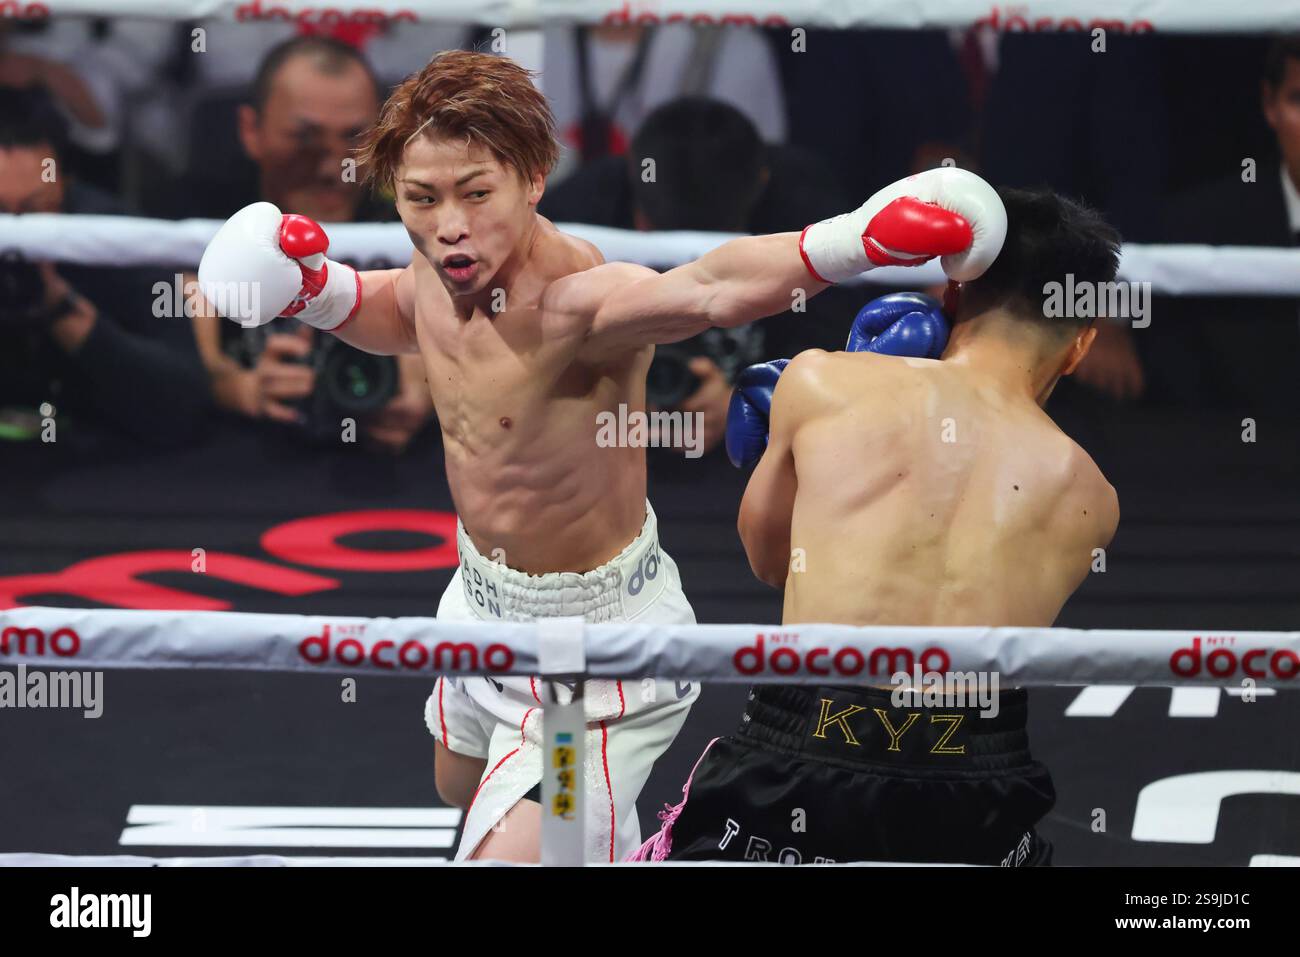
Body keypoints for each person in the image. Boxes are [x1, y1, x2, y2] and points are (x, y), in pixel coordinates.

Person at [195, 50, 1004, 862]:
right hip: (479, 600)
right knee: (457, 778)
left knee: (536, 847)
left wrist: (849, 242)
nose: (450, 225)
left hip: (589, 654)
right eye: (422, 198)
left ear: (534, 180)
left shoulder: (574, 300)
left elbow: (708, 287)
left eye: (478, 193)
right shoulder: (439, 261)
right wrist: (317, 292)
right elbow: (400, 310)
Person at [635, 187, 1121, 866]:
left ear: (949, 297)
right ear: (1079, 346)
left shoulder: (823, 382)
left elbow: (769, 558)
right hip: (970, 765)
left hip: (807, 740)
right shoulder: (1092, 497)